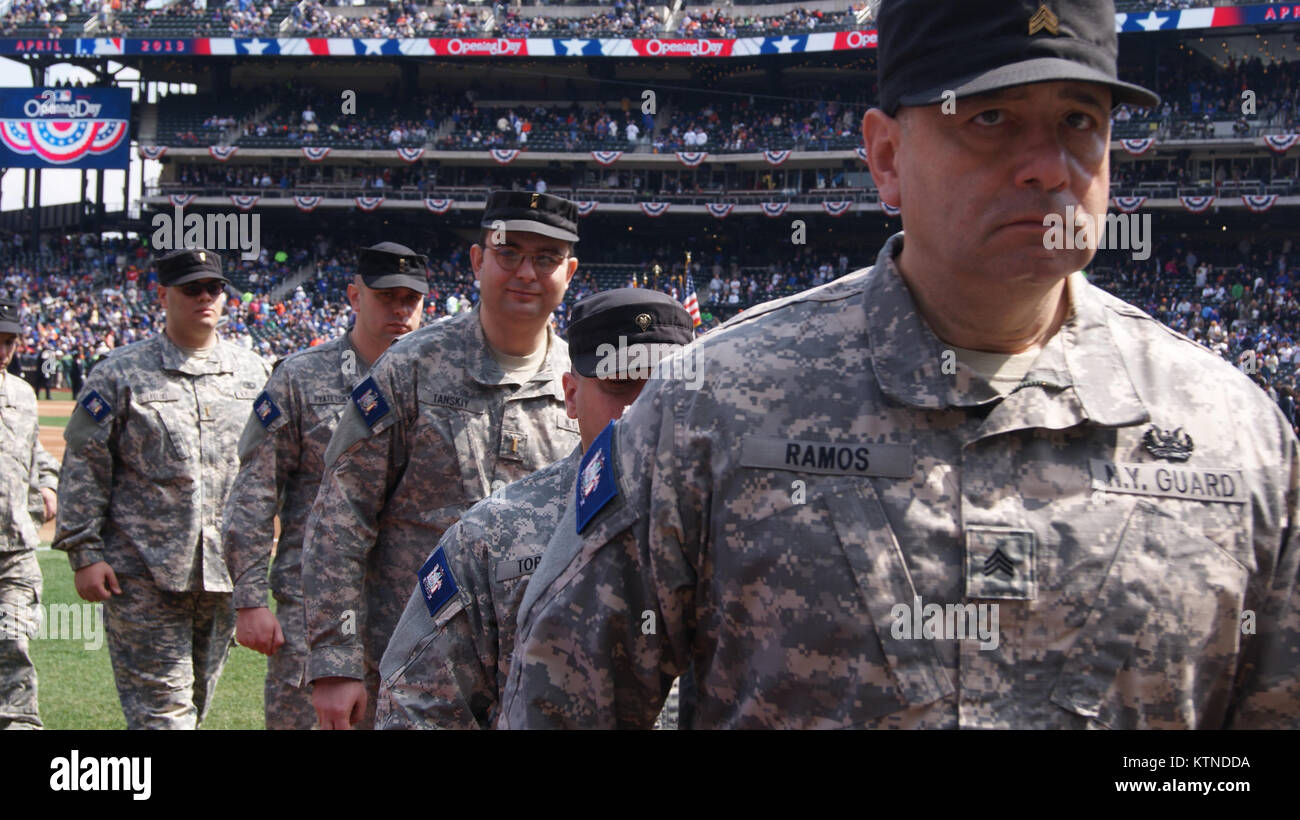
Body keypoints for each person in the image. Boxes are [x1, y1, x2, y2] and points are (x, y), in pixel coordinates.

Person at [501, 0, 1300, 729]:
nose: (1049, 167)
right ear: (886, 156)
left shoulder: (1235, 434)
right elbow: (560, 705)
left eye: (1080, 121)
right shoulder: (712, 405)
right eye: (990, 118)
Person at [303, 191, 583, 729]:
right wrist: (334, 661)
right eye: (509, 253)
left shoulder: (581, 383)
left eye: (545, 258)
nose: (526, 271)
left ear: (568, 271)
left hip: (538, 678)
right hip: (410, 674)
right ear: (478, 261)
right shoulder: (410, 367)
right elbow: (341, 515)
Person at [376, 289, 693, 729]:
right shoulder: (491, 535)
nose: (641, 409)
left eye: (662, 387)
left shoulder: (738, 528)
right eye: (620, 386)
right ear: (572, 395)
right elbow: (419, 709)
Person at [53, 249, 271, 730]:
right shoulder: (119, 371)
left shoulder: (251, 371)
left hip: (221, 576)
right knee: (163, 717)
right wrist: (84, 551)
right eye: (191, 289)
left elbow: (263, 468)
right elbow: (85, 461)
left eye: (213, 288)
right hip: (142, 573)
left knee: (195, 705)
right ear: (163, 296)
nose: (204, 298)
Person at [221, 243, 428, 730]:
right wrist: (249, 598)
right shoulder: (300, 377)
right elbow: (254, 493)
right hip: (314, 611)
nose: (400, 310)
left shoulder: (439, 383)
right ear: (354, 296)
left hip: (415, 611)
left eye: (411, 299)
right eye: (387, 296)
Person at [0, 300, 58, 730]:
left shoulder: (21, 394)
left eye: (9, 342)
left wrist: (49, 482)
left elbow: (34, 450)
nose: (3, 350)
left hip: (16, 547)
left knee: (12, 640)